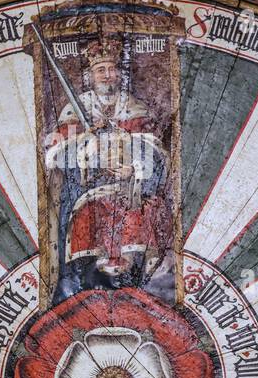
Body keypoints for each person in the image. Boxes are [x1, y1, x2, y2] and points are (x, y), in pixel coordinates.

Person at [43, 39, 172, 302]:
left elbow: (154, 151)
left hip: (130, 190)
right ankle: (90, 289)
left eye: (112, 69)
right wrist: (85, 140)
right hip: (87, 190)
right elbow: (56, 156)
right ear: (91, 76)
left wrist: (133, 170)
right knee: (88, 217)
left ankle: (137, 287)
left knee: (145, 213)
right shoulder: (76, 110)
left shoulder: (135, 108)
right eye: (101, 70)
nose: (107, 75)